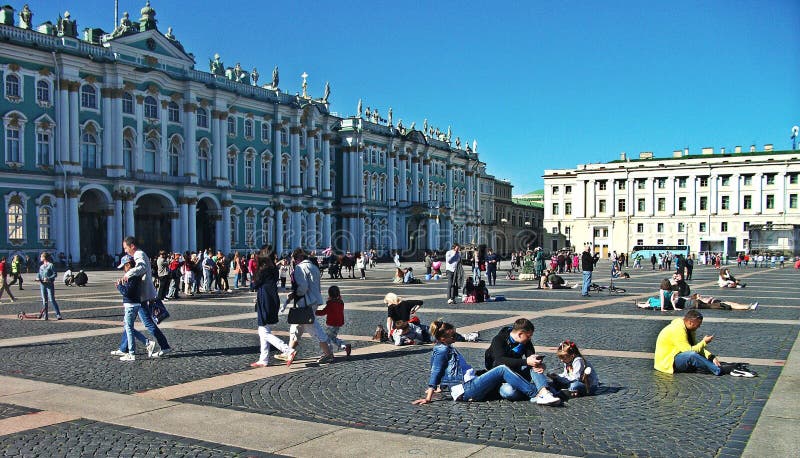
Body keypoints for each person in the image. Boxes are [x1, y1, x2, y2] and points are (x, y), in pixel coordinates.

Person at [411, 322, 560, 405]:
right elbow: (436, 370)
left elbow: (444, 370)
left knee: (525, 368)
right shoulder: (442, 350)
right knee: (502, 368)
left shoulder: (446, 348)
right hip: (466, 389)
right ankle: (537, 393)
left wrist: (440, 386)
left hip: (471, 383)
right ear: (443, 338)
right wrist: (429, 396)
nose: (456, 337)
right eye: (452, 335)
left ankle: (542, 391)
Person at [482, 318, 562, 405]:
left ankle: (544, 392)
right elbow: (499, 361)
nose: (529, 339)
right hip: (501, 380)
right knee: (508, 391)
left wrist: (540, 364)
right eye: (528, 336)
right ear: (520, 334)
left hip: (518, 375)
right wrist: (526, 362)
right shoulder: (499, 340)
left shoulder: (526, 342)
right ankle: (542, 391)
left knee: (534, 365)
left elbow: (531, 358)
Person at [120, 236, 172, 357]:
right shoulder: (138, 254)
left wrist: (128, 274)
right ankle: (123, 348)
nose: (125, 251)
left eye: (126, 248)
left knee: (147, 323)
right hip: (141, 295)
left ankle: (164, 346)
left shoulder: (139, 254)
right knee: (129, 322)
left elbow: (141, 267)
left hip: (142, 296)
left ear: (132, 246)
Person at [285, 248, 334, 364]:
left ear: (300, 258)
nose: (294, 262)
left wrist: (294, 294)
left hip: (305, 303)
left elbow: (302, 287)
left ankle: (328, 353)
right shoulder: (314, 267)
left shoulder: (299, 268)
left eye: (295, 259)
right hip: (314, 301)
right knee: (296, 328)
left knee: (313, 328)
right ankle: (288, 352)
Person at [251, 246, 296, 367]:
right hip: (272, 298)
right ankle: (263, 359)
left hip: (265, 299)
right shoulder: (273, 269)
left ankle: (288, 350)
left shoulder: (263, 270)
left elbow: (254, 284)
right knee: (264, 330)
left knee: (264, 331)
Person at [654, 310, 722, 376]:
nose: (699, 326)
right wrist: (704, 342)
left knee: (695, 355)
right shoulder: (677, 329)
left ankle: (713, 366)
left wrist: (710, 357)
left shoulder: (690, 329)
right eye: (698, 324)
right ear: (690, 322)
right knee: (691, 355)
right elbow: (689, 351)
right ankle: (718, 370)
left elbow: (695, 346)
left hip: (676, 356)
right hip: (667, 362)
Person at [115, 255, 144, 362]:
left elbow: (127, 292)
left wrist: (119, 286)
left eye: (124, 266)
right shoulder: (136, 275)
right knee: (128, 327)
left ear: (128, 265)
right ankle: (146, 343)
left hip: (131, 305)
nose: (123, 269)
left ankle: (131, 352)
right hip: (134, 304)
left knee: (129, 329)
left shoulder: (132, 275)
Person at [315, 285, 351, 357]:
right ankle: (344, 346)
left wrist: (315, 312)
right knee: (333, 338)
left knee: (327, 339)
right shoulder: (341, 302)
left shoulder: (330, 303)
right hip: (338, 323)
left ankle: (329, 353)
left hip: (331, 324)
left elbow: (323, 312)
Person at [35, 252, 61, 320]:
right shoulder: (41, 266)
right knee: (44, 300)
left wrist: (49, 278)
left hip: (49, 284)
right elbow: (39, 274)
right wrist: (37, 278)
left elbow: (55, 274)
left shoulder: (50, 265)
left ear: (44, 258)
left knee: (52, 299)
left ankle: (58, 314)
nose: (40, 258)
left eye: (41, 257)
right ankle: (45, 315)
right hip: (42, 284)